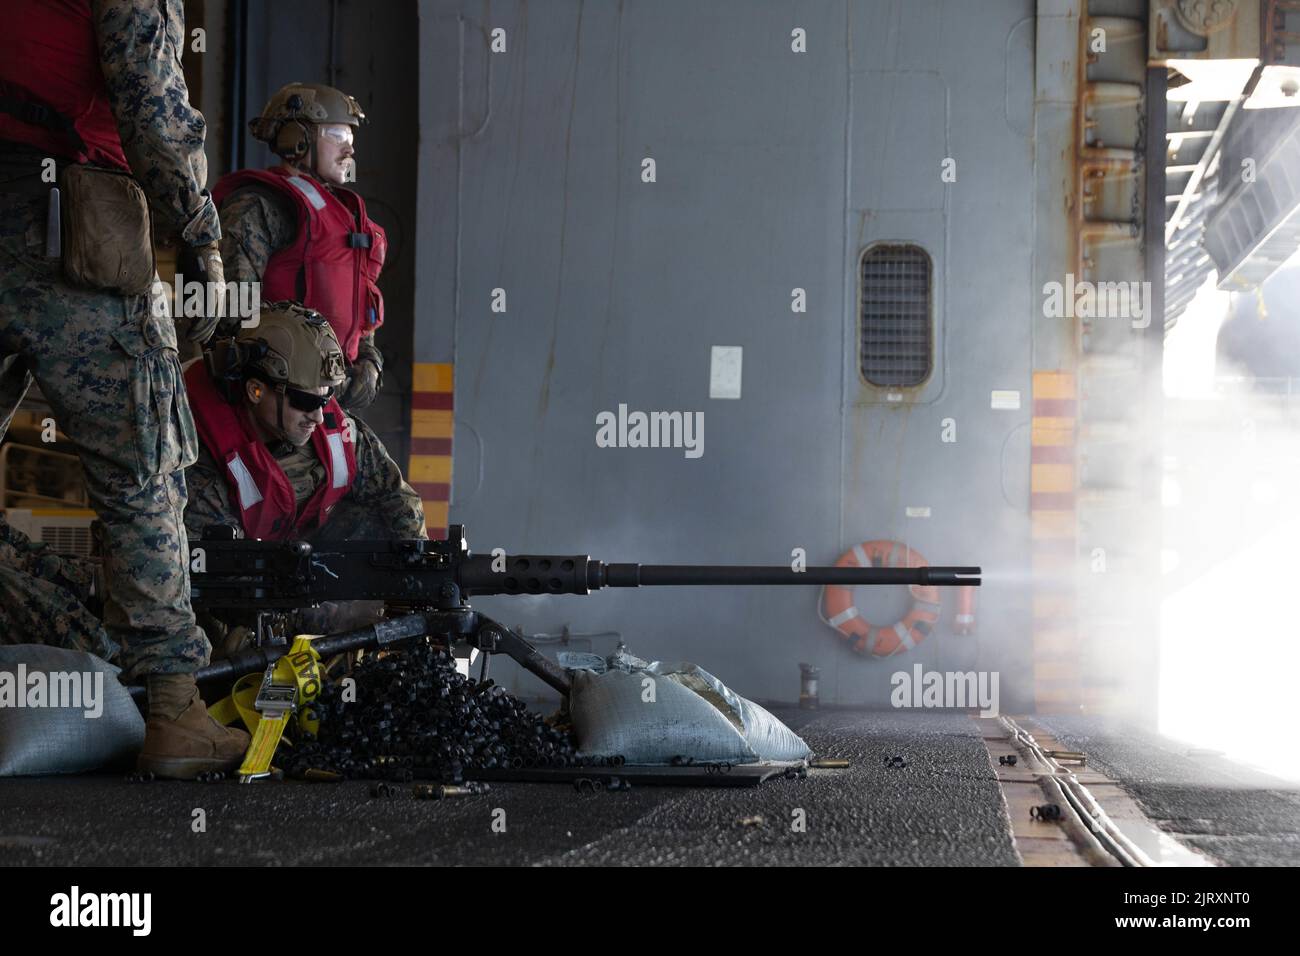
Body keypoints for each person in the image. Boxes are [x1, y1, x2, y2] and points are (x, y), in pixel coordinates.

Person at [0, 0, 248, 778]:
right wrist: (201, 233)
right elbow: (147, 90)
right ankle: (175, 708)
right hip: (63, 217)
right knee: (144, 455)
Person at [182, 301, 424, 653]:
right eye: (303, 401)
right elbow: (220, 583)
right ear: (255, 390)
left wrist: (413, 579)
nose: (317, 415)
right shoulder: (200, 453)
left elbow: (394, 497)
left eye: (325, 400)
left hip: (307, 566)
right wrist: (341, 616)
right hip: (240, 601)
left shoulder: (331, 431)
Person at [213, 83, 388, 413]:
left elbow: (359, 310)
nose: (349, 150)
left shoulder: (342, 218)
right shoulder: (258, 206)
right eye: (337, 135)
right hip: (276, 404)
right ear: (297, 139)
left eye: (352, 139)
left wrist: (368, 362)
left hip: (329, 402)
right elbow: (231, 315)